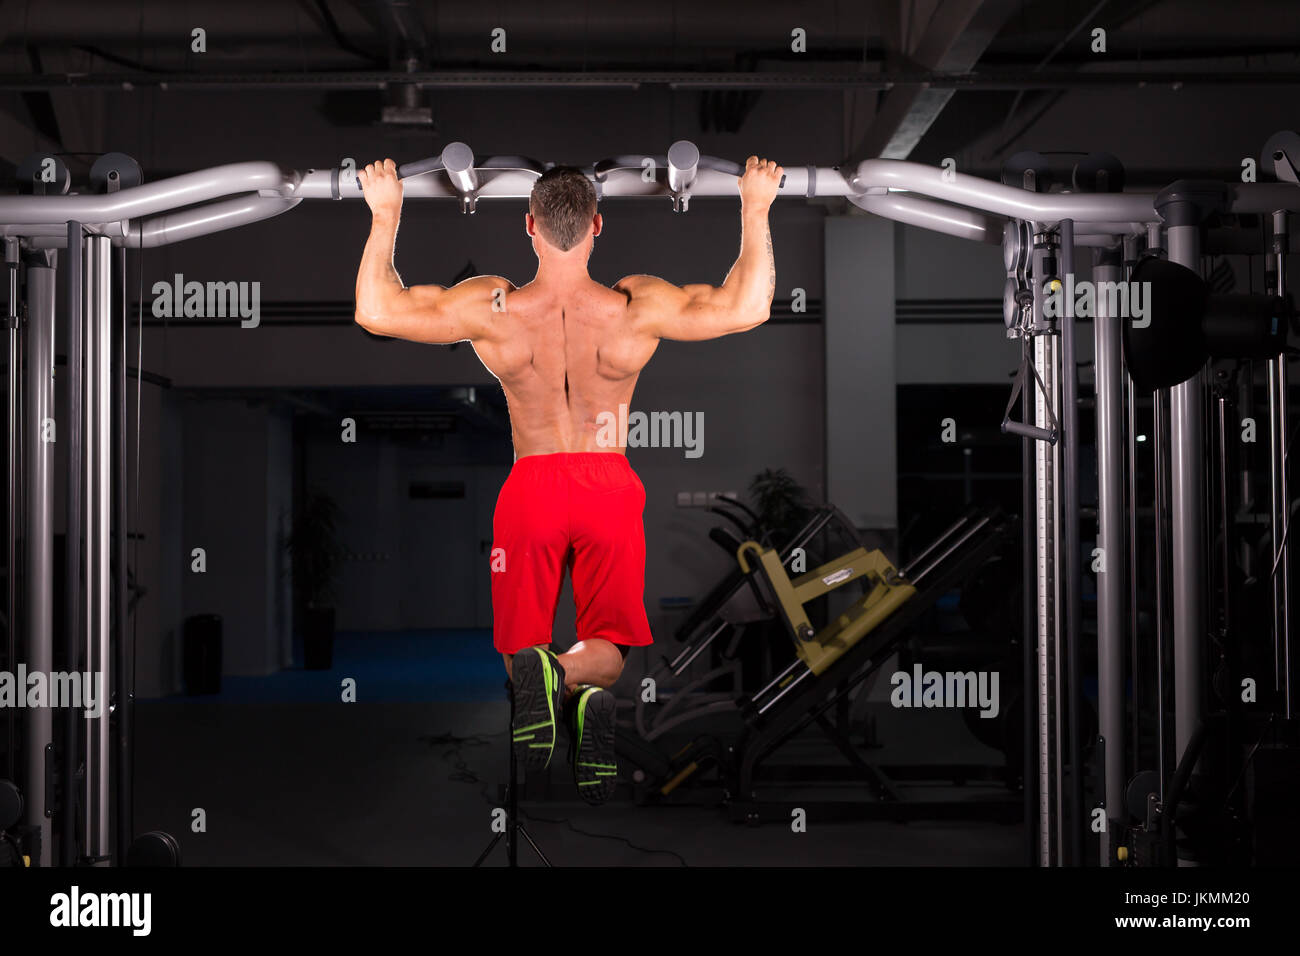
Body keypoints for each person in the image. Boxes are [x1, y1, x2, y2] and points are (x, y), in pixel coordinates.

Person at [354, 154, 783, 804]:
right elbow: (747, 307)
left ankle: (542, 671)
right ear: (597, 225)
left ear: (529, 225)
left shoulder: (493, 305)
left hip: (531, 487)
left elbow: (376, 311)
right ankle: (570, 677)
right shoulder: (635, 305)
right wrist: (756, 206)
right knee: (610, 647)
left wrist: (386, 212)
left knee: (519, 650)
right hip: (608, 485)